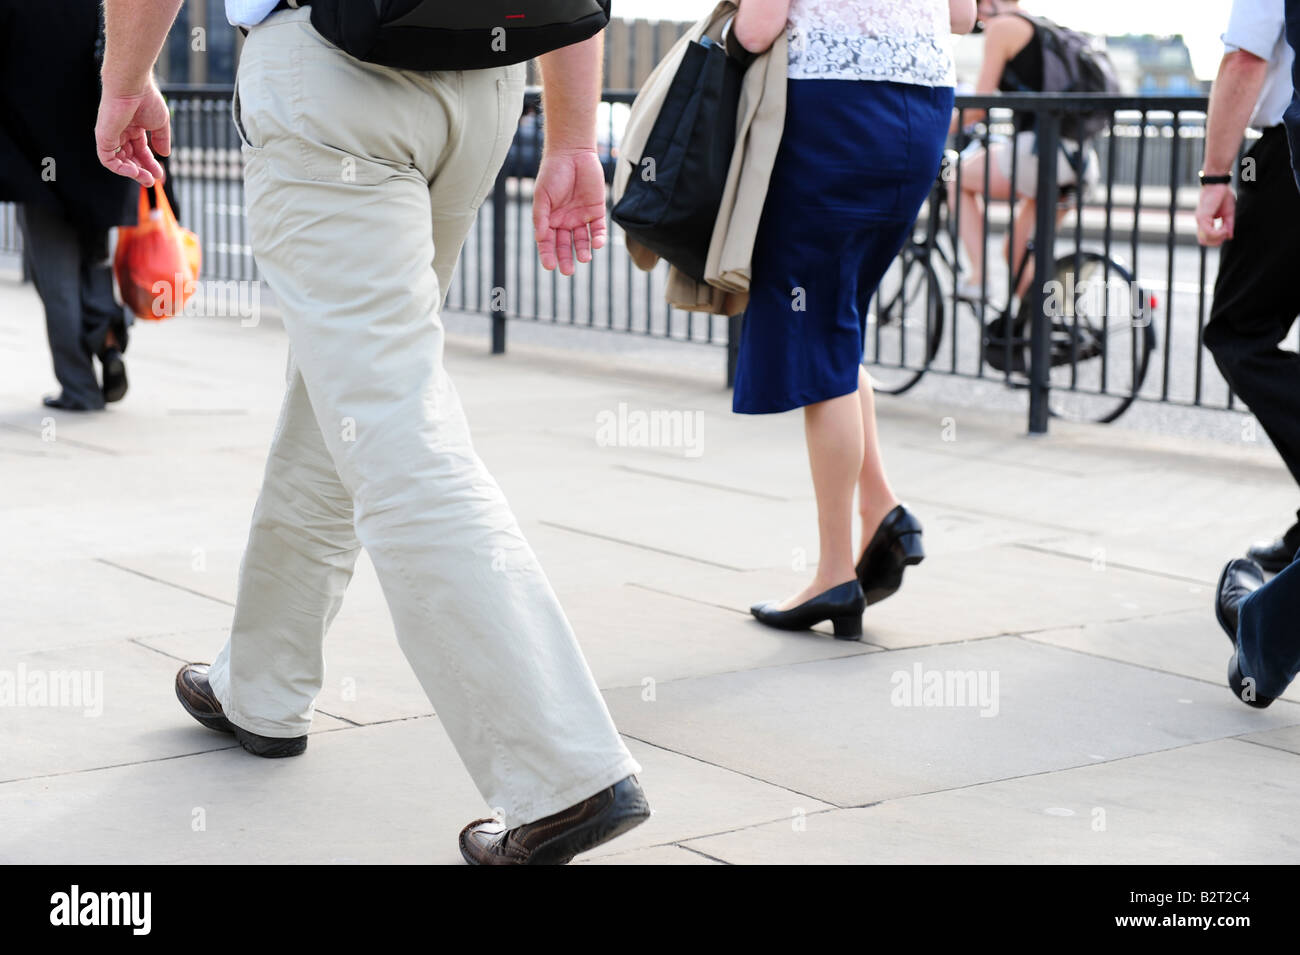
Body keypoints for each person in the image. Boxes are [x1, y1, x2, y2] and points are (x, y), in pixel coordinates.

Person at [95, 0, 648, 865]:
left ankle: (563, 769)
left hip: (332, 71)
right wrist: (574, 136)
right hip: (484, 75)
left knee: (393, 419)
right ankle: (262, 686)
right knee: (344, 398)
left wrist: (123, 81)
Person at [732, 0, 976, 639]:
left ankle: (836, 573)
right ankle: (881, 508)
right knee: (837, 320)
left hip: (829, 110)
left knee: (817, 328)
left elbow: (758, 26)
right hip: (921, 109)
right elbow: (963, 14)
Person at [1213, 0, 1300, 711]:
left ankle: (1266, 629)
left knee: (1237, 329)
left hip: (1281, 157)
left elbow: (1247, 55)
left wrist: (1216, 176)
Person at [0, 0, 135, 411]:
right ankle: (108, 339)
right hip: (98, 154)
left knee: (55, 278)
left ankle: (79, 387)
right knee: (95, 262)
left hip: (36, 162)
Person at [947, 0, 1099, 302]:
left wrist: (937, 124)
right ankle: (1044, 331)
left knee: (956, 177)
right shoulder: (1047, 28)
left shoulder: (1003, 27)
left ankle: (978, 278)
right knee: (1016, 251)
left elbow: (978, 107)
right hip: (1081, 160)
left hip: (1040, 154)